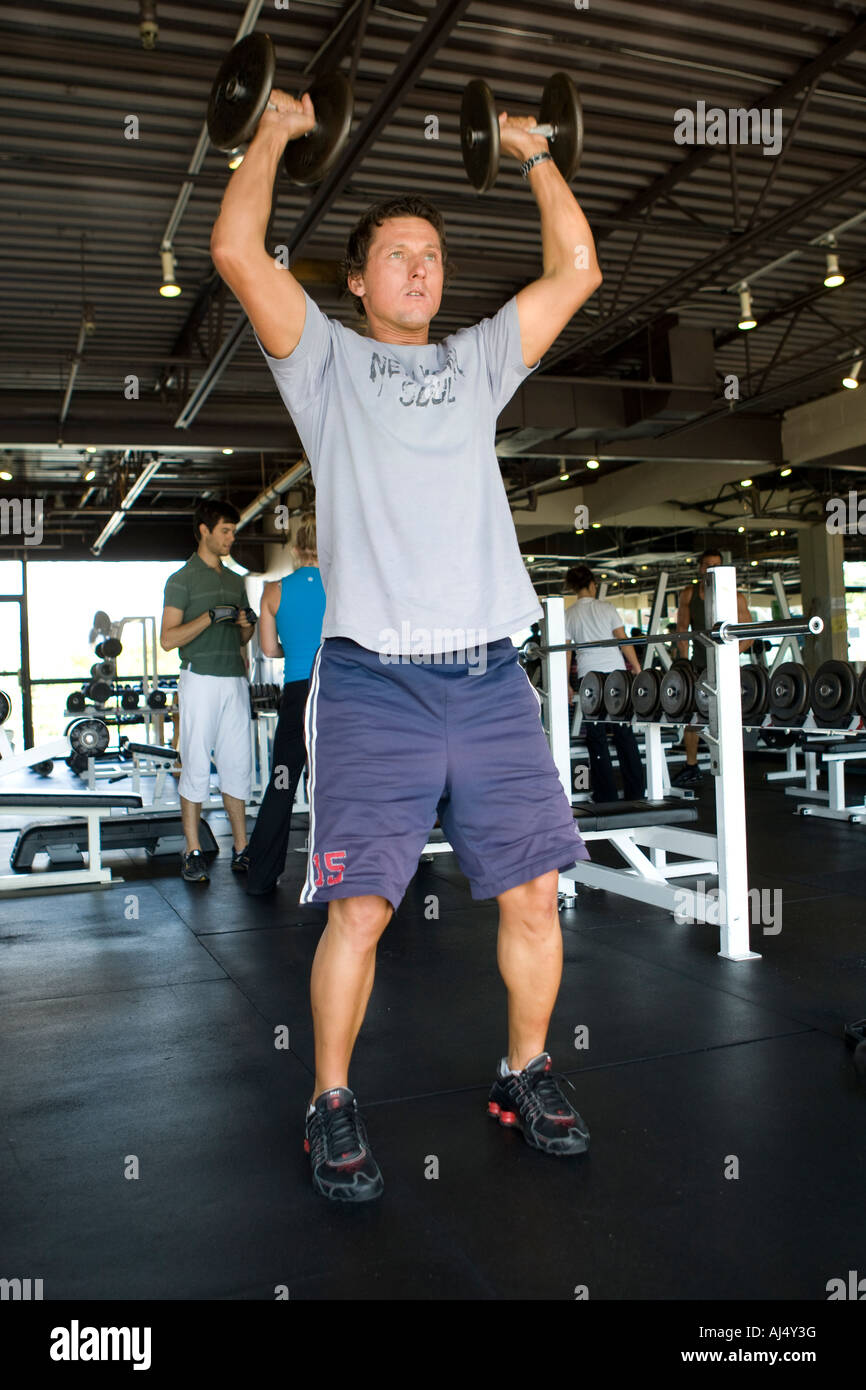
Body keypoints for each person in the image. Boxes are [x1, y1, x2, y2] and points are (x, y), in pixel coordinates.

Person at [210, 82, 603, 1202]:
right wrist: (279, 128)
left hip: (488, 677)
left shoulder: (477, 362)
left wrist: (531, 155)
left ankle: (522, 1069)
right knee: (361, 908)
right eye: (397, 252)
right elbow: (235, 247)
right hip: (375, 682)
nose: (421, 268)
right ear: (356, 277)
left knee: (533, 895)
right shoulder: (323, 366)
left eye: (431, 252)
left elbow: (576, 270)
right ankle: (329, 1096)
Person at [160, 499, 256, 882]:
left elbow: (244, 637)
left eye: (234, 531)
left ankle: (242, 848)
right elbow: (168, 639)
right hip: (198, 678)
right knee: (196, 761)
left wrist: (246, 623)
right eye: (225, 531)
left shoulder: (235, 581)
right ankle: (193, 850)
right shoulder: (181, 579)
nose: (232, 537)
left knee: (237, 763)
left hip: (234, 679)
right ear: (204, 530)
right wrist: (209, 617)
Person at [246, 514, 326, 897]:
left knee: (282, 781)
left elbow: (268, 649)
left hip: (298, 692)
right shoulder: (344, 587)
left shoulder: (273, 591)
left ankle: (262, 876)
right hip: (338, 692)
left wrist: (293, 649)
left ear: (294, 549)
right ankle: (343, 872)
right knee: (337, 785)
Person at [673, 549, 753, 787]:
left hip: (724, 667)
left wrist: (727, 655)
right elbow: (681, 630)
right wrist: (684, 662)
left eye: (715, 565)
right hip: (698, 665)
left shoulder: (736, 597)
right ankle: (691, 765)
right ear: (700, 568)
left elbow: (749, 636)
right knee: (693, 716)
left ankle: (730, 764)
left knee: (725, 716)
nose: (711, 569)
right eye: (707, 565)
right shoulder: (689, 594)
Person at [564, 566, 645, 803]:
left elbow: (567, 653)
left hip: (590, 677)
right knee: (624, 733)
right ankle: (636, 792)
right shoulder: (607, 608)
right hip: (616, 675)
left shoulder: (568, 615)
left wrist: (566, 683)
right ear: (592, 585)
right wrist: (637, 669)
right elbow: (624, 641)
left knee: (597, 736)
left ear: (573, 587)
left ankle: (606, 794)